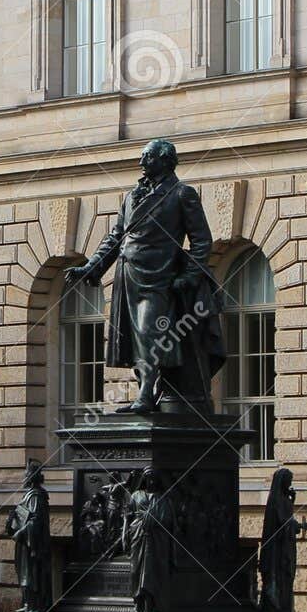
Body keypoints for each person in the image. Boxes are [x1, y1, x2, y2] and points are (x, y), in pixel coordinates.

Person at [64, 138, 225, 412]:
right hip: (127, 276)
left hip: (158, 277)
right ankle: (144, 394)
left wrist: (188, 277)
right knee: (131, 338)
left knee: (149, 332)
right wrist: (90, 267)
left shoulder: (181, 194)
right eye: (142, 157)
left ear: (165, 160)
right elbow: (116, 237)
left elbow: (201, 241)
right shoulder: (131, 196)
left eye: (147, 157)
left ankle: (147, 395)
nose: (141, 162)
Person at [123, 470, 176, 612]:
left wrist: (151, 519)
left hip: (157, 541)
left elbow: (168, 519)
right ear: (144, 479)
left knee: (153, 571)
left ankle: (152, 605)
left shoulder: (163, 498)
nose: (151, 481)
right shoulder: (136, 496)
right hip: (138, 537)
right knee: (135, 571)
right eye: (148, 478)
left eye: (154, 478)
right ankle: (138, 603)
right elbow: (129, 516)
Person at [258, 467, 307, 612]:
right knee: (280, 577)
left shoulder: (283, 499)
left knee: (286, 579)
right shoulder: (277, 501)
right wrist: (300, 525)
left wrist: (291, 501)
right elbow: (283, 523)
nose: (290, 484)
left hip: (284, 547)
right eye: (289, 481)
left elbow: (286, 521)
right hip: (278, 550)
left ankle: (283, 605)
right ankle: (279, 607)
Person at [5, 462, 51, 612]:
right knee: (25, 573)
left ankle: (32, 604)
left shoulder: (35, 496)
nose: (23, 479)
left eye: (26, 476)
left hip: (32, 545)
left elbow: (35, 520)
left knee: (29, 574)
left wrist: (20, 532)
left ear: (31, 478)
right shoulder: (30, 495)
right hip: (25, 544)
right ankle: (27, 604)